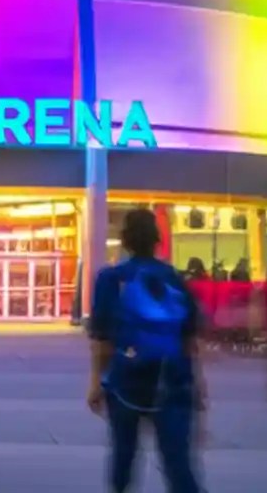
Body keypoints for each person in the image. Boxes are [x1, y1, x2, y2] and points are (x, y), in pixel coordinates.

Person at [87, 207, 206, 493]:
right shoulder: (174, 278)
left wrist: (95, 385)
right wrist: (199, 388)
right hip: (173, 379)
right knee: (178, 464)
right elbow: (189, 341)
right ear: (157, 240)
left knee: (123, 458)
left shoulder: (111, 279)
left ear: (125, 241)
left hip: (125, 380)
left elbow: (102, 340)